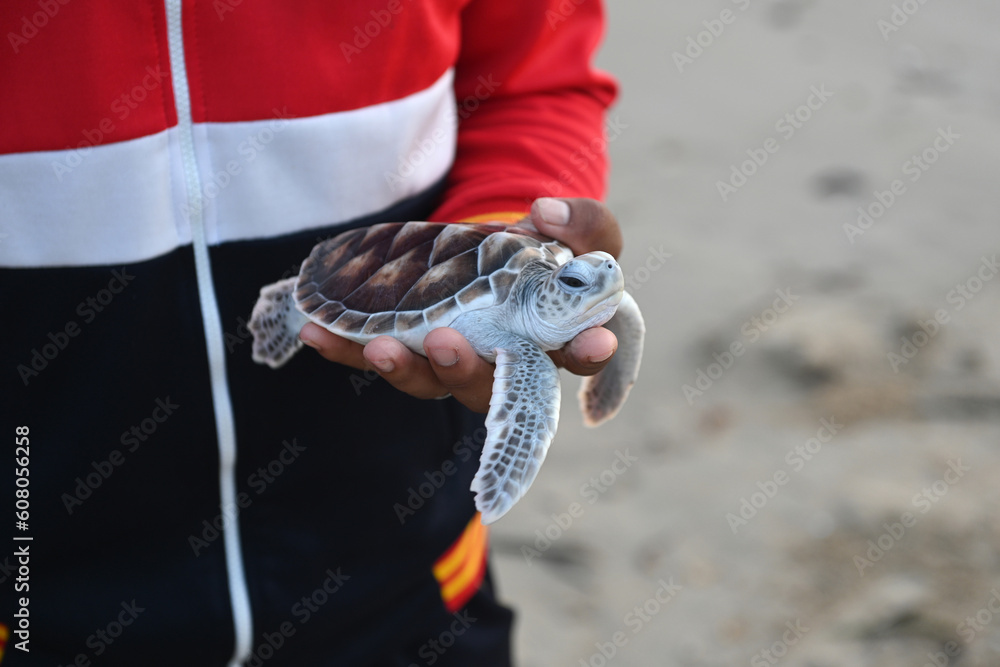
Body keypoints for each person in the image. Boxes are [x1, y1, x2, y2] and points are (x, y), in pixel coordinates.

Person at [0, 1, 621, 664]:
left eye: (588, 281)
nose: (600, 283)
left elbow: (533, 76)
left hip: (406, 586)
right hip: (41, 607)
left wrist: (512, 217)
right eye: (579, 283)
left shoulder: (539, 305)